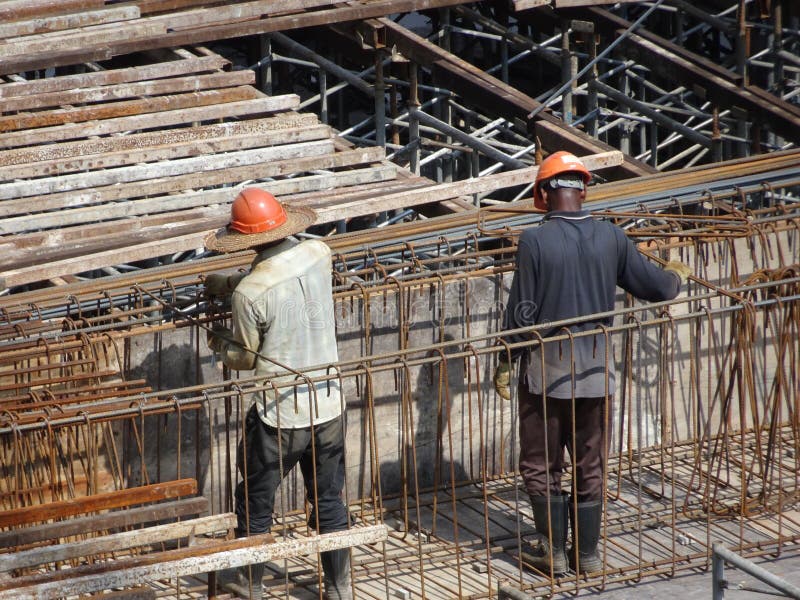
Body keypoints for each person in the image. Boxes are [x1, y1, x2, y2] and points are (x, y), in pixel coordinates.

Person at [493, 151, 690, 576]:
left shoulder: (534, 240)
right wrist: (674, 276)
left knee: (541, 465)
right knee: (590, 463)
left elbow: (522, 311)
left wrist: (506, 360)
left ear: (543, 194)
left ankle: (554, 553)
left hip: (545, 375)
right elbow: (655, 287)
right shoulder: (612, 237)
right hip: (598, 374)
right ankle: (587, 554)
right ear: (583, 189)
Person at [204, 187, 351, 599]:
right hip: (328, 403)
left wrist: (218, 341)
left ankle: (251, 586)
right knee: (328, 501)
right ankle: (341, 590)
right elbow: (285, 273)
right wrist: (235, 281)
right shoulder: (321, 253)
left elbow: (245, 357)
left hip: (278, 414)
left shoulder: (249, 294)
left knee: (254, 499)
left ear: (245, 238)